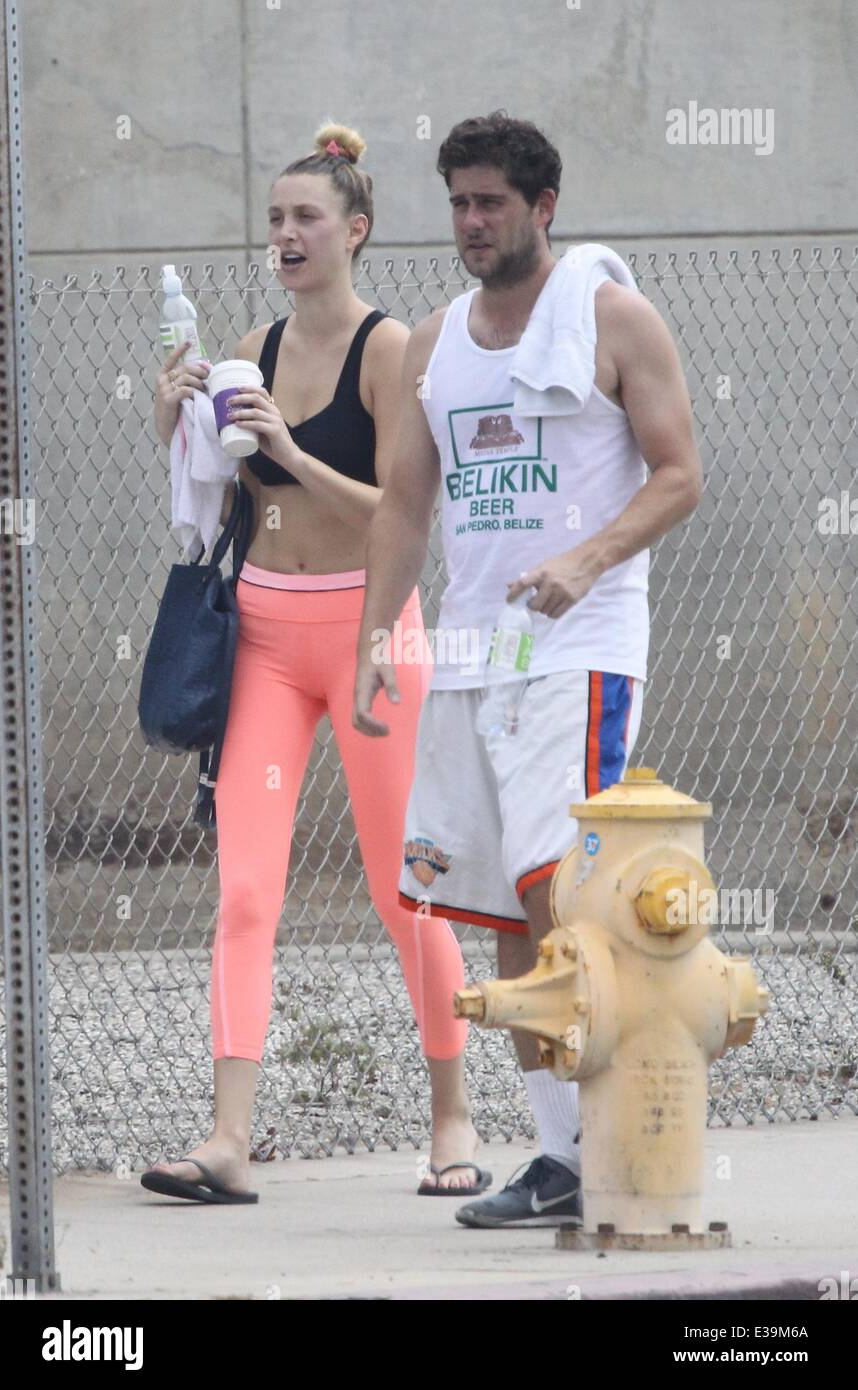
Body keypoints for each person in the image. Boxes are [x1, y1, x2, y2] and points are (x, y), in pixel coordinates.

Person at [353, 111, 703, 1228]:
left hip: (582, 643)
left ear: (541, 207)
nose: (469, 221)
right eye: (456, 200)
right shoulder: (430, 341)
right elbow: (405, 502)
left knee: (564, 882)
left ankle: (630, 1121)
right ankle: (557, 1155)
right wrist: (375, 632)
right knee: (501, 901)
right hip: (472, 647)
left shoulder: (612, 318)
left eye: (490, 201)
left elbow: (679, 473)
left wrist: (583, 558)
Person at [141, 123, 486, 1205]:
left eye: (305, 218)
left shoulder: (390, 349)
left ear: (355, 230)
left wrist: (289, 450)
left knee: (409, 891)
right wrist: (180, 423)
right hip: (266, 635)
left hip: (371, 632)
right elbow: (241, 499)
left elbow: (403, 511)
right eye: (276, 218)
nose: (284, 235)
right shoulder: (257, 339)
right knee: (246, 890)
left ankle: (453, 1121)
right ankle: (228, 1138)